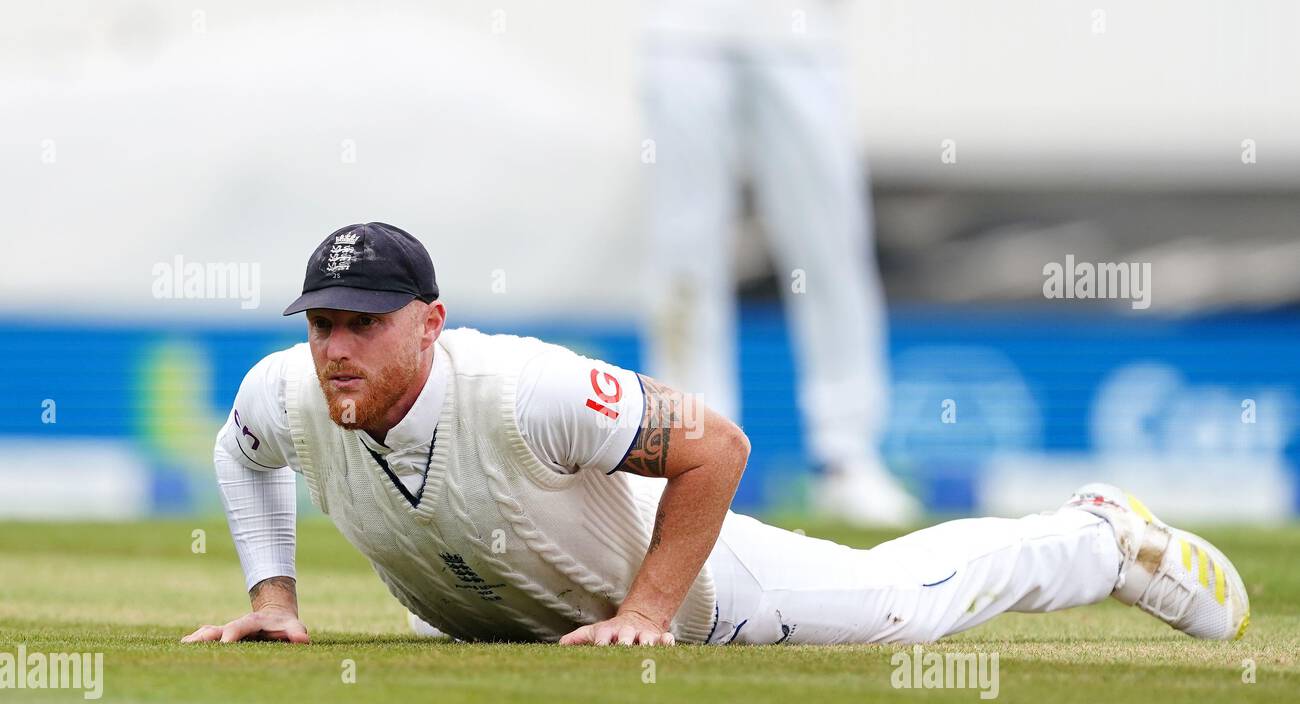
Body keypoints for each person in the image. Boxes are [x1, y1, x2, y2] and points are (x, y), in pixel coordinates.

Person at [183, 223, 1249, 647]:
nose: (337, 348)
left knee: (895, 608)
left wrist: (649, 611)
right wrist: (271, 599)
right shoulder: (283, 393)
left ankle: (1095, 537)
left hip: (694, 585)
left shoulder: (527, 389)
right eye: (324, 323)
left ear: (429, 322)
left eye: (364, 323)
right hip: (499, 608)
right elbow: (238, 454)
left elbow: (718, 444)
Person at [640, 0, 918, 524]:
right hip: (684, 27)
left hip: (799, 30)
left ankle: (847, 456)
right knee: (683, 248)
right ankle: (689, 451)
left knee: (829, 244)